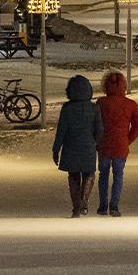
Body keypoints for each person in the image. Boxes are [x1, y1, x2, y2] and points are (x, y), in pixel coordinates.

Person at [52, 75, 103, 217]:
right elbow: (99, 129)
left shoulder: (67, 108)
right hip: (88, 146)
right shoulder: (94, 108)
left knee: (73, 176)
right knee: (89, 174)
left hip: (70, 147)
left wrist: (56, 149)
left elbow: (61, 130)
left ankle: (76, 208)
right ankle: (84, 203)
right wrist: (95, 142)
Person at [96, 71, 138, 217]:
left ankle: (103, 206)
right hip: (121, 145)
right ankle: (114, 206)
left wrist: (97, 140)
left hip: (104, 144)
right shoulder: (130, 104)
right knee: (118, 175)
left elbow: (95, 124)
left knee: (103, 175)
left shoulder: (101, 103)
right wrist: (127, 140)